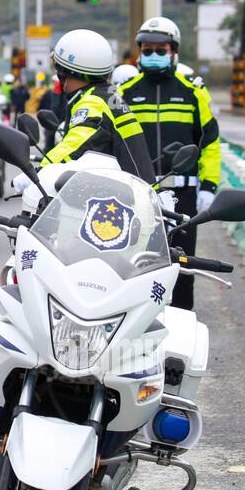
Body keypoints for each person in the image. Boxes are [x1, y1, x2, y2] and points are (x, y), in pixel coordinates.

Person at [116, 16, 221, 310]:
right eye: (146, 50)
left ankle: (181, 333)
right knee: (135, 268)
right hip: (136, 195)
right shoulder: (124, 94)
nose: (152, 55)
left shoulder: (193, 93)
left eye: (160, 50)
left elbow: (210, 144)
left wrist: (209, 186)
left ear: (173, 51)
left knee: (182, 269)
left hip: (184, 197)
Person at [39, 29, 154, 182]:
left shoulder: (93, 102)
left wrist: (40, 172)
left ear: (64, 71)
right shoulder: (109, 95)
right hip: (137, 190)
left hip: (124, 195)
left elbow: (75, 144)